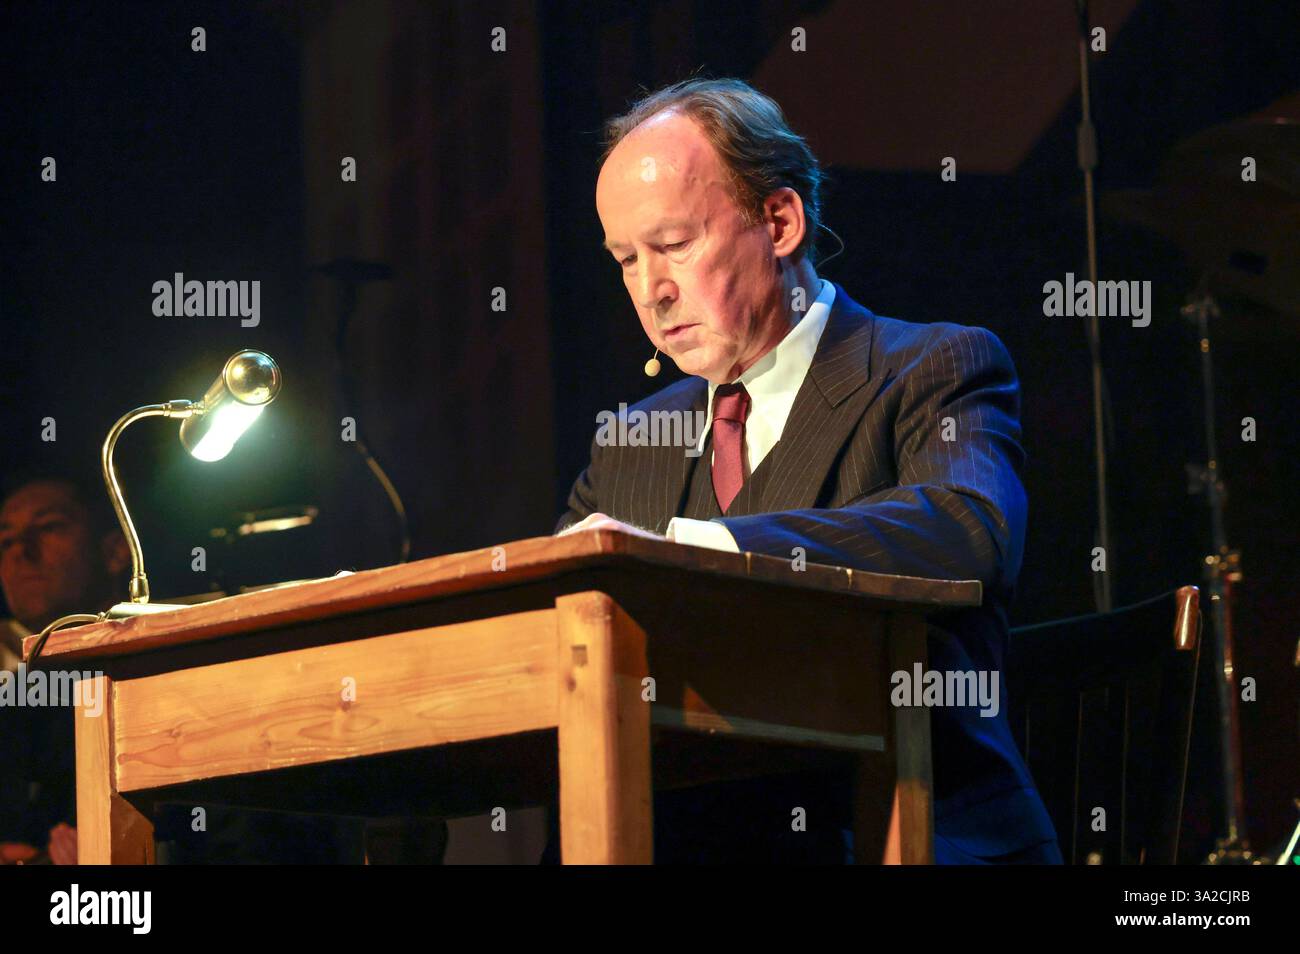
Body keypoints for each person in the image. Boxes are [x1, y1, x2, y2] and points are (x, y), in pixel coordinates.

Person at [555, 77, 1061, 863]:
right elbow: (557, 634)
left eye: (674, 245)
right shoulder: (631, 441)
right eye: (626, 259)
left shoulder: (934, 366)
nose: (650, 292)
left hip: (895, 827)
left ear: (780, 220)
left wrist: (709, 552)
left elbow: (969, 528)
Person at [0, 475, 128, 864]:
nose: (22, 551)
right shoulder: (14, 686)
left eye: (50, 527)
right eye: (5, 541)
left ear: (114, 552)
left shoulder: (154, 674)